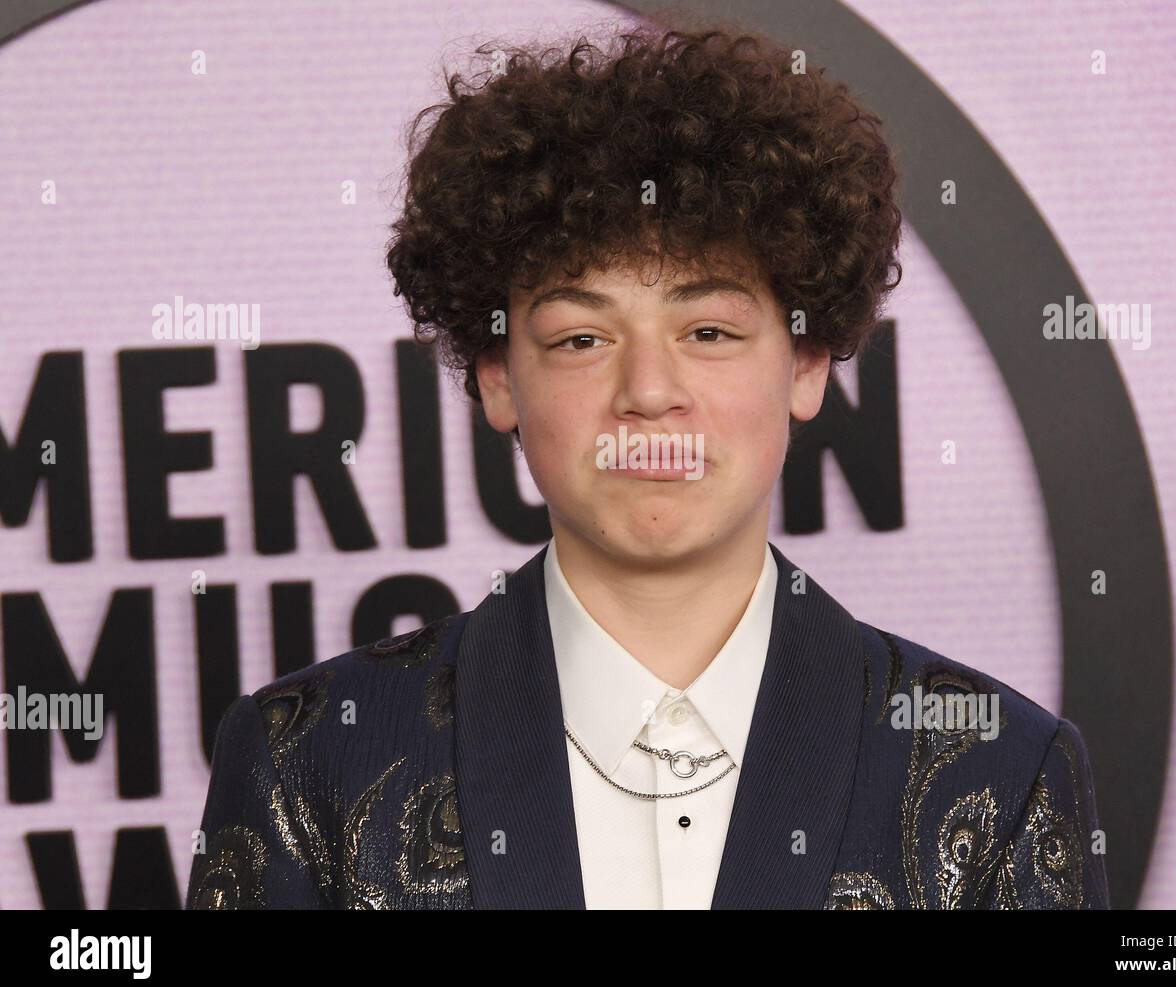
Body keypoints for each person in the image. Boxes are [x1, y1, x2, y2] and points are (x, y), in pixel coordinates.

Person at [186, 22, 1109, 910]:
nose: (650, 391)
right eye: (583, 337)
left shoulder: (1000, 772)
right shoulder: (306, 761)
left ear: (806, 364)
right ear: (500, 379)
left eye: (708, 331)